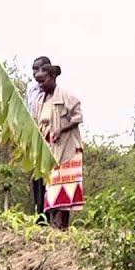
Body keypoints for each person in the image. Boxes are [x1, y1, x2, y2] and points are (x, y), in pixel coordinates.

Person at [34, 64, 84, 230]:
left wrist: (61, 129)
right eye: (38, 82)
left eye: (43, 81)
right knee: (51, 186)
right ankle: (54, 225)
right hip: (48, 148)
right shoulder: (39, 100)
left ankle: (61, 226)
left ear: (52, 77)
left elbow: (77, 117)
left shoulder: (66, 96)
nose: (40, 85)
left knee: (63, 186)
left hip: (66, 148)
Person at [27, 56, 52, 223]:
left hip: (50, 138)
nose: (36, 73)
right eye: (34, 69)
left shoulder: (55, 91)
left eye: (39, 69)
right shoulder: (31, 91)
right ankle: (40, 215)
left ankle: (52, 216)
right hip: (34, 139)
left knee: (51, 179)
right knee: (37, 178)